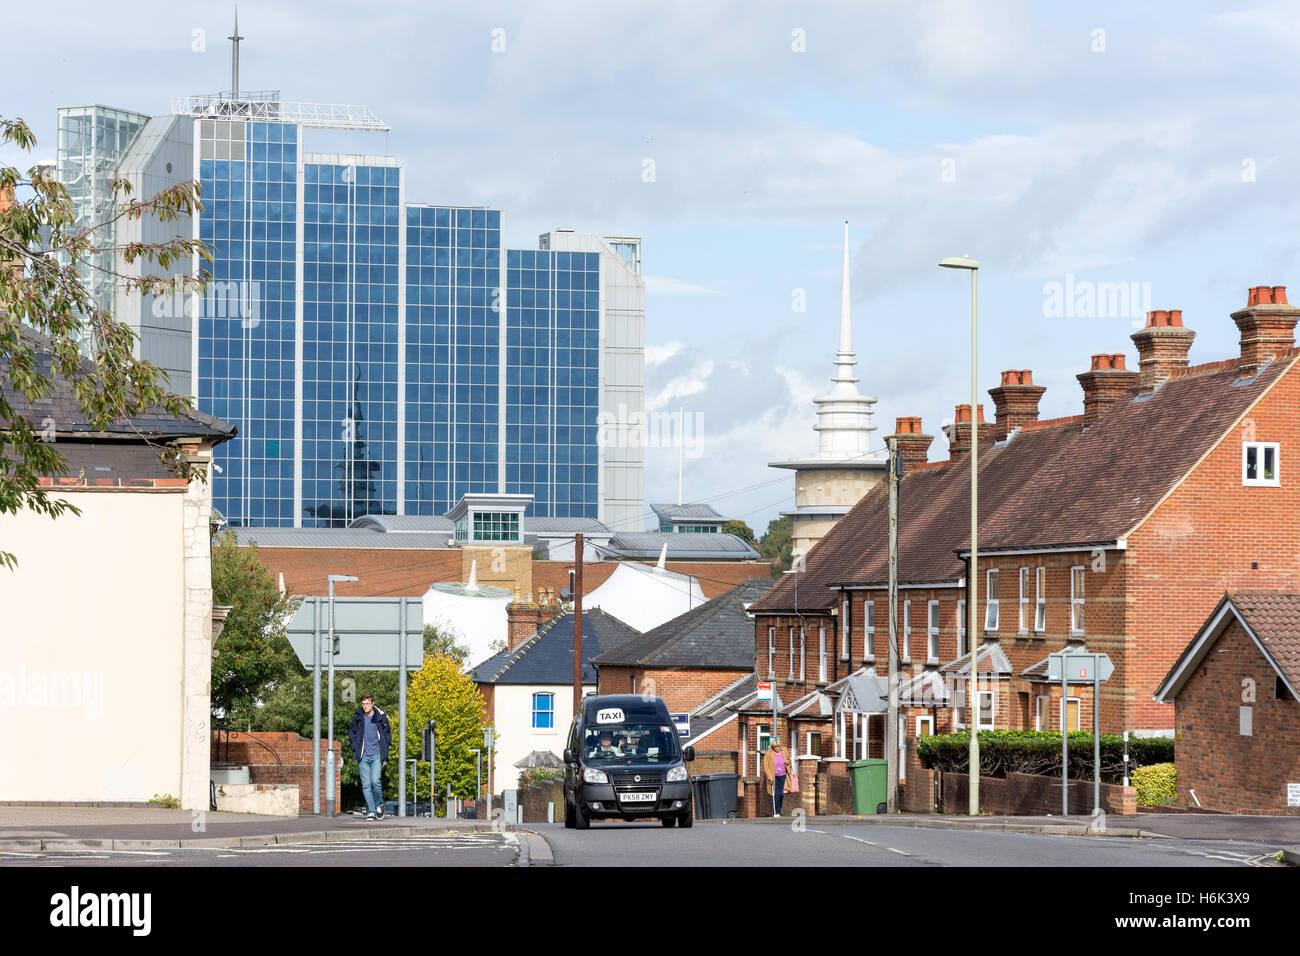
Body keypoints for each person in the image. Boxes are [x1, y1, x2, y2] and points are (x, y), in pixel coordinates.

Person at [347, 693, 391, 821]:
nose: (365, 706)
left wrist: (385, 751)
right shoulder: (358, 717)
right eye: (363, 704)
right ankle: (371, 811)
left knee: (375, 782)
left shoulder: (381, 717)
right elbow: (352, 733)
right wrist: (355, 747)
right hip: (363, 756)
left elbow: (387, 735)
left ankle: (379, 805)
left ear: (372, 704)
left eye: (367, 703)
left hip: (376, 755)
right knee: (366, 785)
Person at [762, 739, 788, 816]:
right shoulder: (768, 754)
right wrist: (770, 777)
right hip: (774, 776)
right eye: (775, 747)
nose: (777, 748)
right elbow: (766, 767)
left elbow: (788, 760)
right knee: (776, 794)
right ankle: (777, 812)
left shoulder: (785, 751)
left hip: (783, 775)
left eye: (778, 746)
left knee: (781, 794)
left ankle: (778, 809)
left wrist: (787, 762)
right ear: (773, 747)